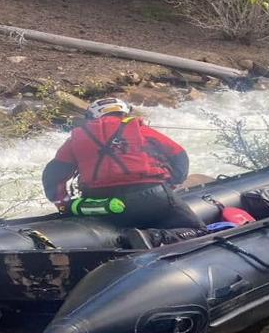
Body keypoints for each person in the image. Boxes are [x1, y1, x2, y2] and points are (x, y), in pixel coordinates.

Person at [42, 98, 203, 236]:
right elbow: (179, 156)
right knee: (198, 230)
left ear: (91, 117)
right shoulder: (141, 130)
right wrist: (170, 186)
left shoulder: (76, 138)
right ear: (124, 113)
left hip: (100, 202)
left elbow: (52, 176)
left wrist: (64, 204)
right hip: (149, 196)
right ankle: (155, 237)